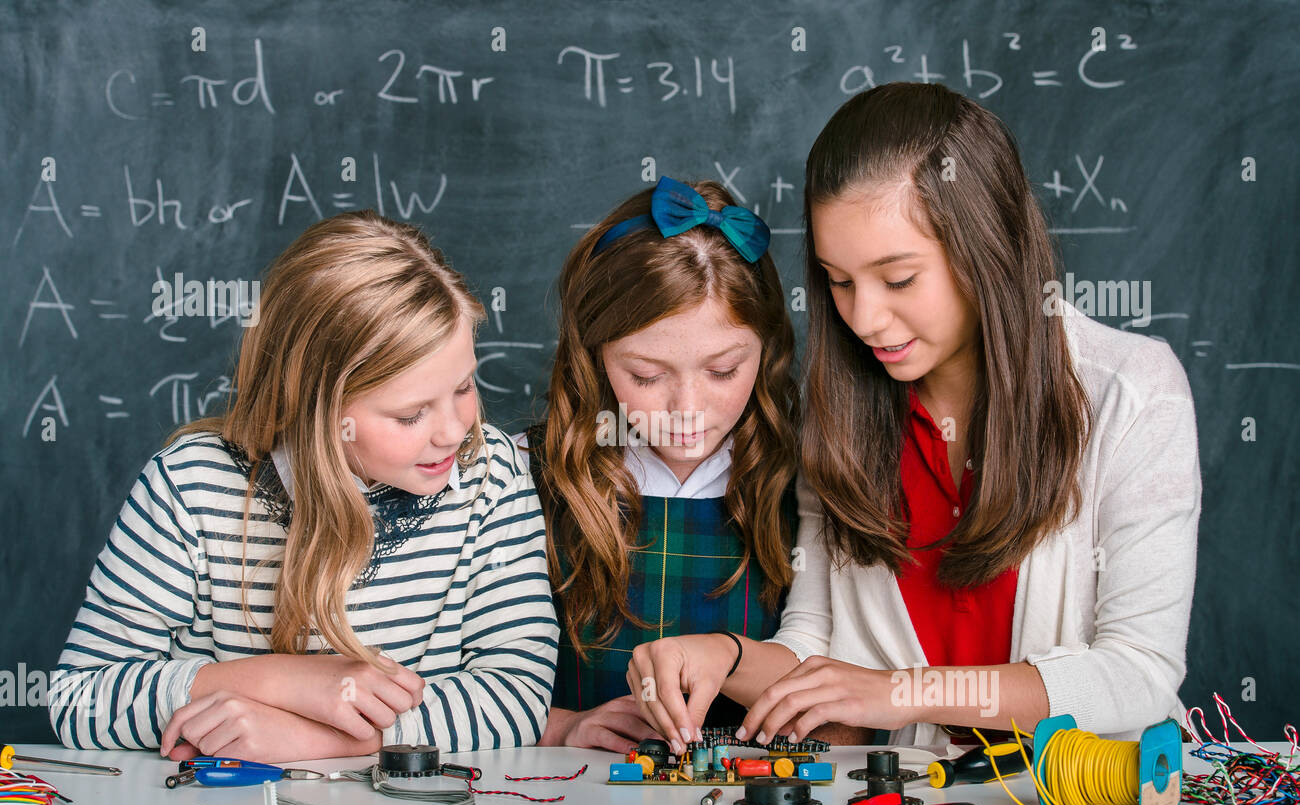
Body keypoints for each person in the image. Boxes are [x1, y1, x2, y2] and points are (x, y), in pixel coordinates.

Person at [629, 83, 1202, 752]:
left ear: (990, 247)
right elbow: (813, 652)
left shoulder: (1133, 393)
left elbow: (1138, 672)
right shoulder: (838, 417)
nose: (864, 317)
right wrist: (724, 657)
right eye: (838, 281)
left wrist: (903, 691)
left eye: (898, 278)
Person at [48, 210, 559, 763]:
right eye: (411, 415)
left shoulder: (492, 475)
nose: (455, 431)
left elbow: (517, 696)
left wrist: (322, 740)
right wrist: (281, 681)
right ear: (319, 411)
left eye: (464, 386)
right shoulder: (190, 486)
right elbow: (80, 699)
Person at [515, 178, 800, 754]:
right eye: (645, 376)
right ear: (592, 355)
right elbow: (452, 680)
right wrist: (561, 727)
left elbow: (844, 684)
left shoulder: (809, 484)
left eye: (722, 371)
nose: (686, 410)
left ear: (766, 349)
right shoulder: (519, 474)